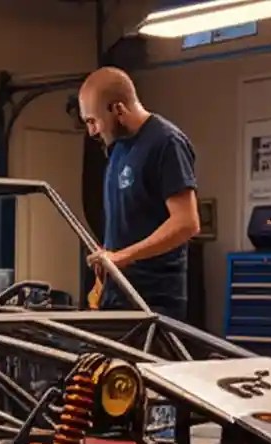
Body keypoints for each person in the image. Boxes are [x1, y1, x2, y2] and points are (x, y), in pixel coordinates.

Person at [78, 66, 200, 320]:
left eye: (93, 121)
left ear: (118, 109)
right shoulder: (118, 149)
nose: (92, 131)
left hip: (153, 303)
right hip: (117, 297)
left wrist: (122, 257)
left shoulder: (166, 142)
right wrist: (107, 256)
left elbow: (186, 223)